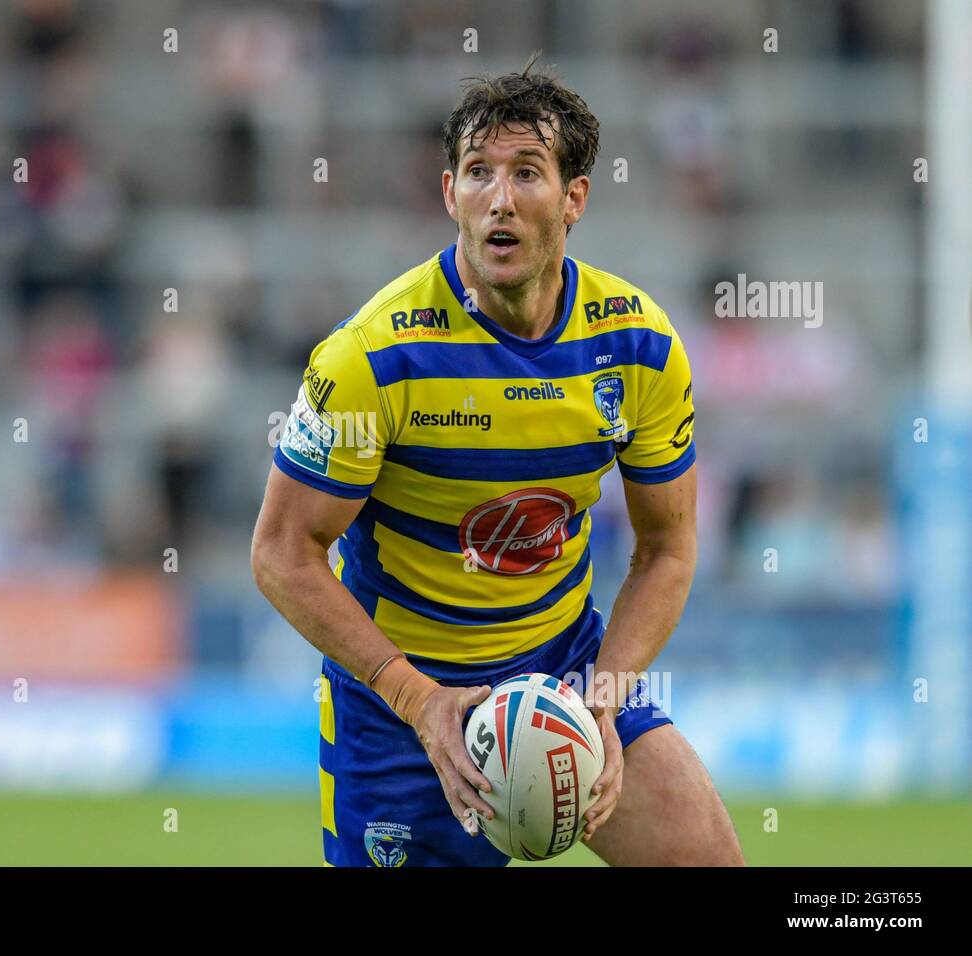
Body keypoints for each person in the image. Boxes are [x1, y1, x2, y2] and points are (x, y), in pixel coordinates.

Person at [251, 55, 743, 867]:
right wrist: (419, 700)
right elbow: (280, 553)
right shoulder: (373, 358)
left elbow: (667, 550)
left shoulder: (637, 346)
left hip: (566, 671)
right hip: (405, 704)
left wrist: (604, 696)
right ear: (450, 196)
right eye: (477, 173)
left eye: (527, 172)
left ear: (575, 197)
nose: (500, 198)